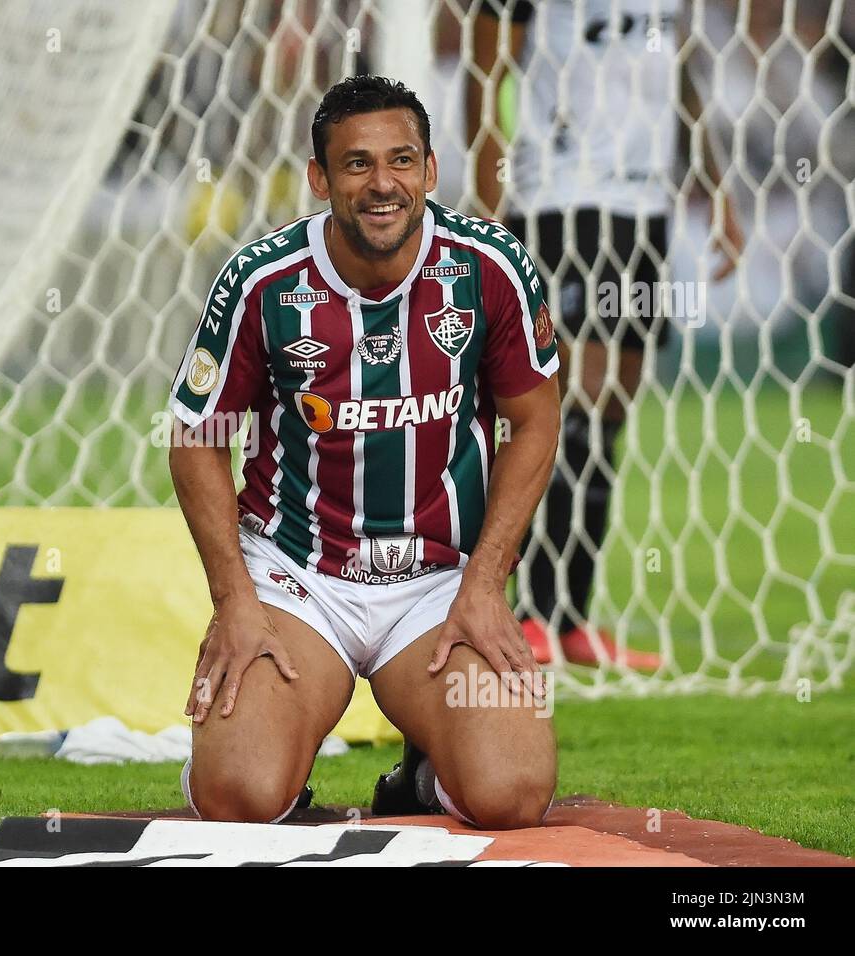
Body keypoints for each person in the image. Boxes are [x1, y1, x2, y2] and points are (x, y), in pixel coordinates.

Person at [167, 74, 559, 826]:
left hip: (439, 585)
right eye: (357, 164)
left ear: (431, 169)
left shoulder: (488, 267)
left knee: (510, 795)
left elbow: (535, 422)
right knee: (240, 794)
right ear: (320, 177)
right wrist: (235, 601)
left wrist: (486, 581)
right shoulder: (263, 281)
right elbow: (195, 437)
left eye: (402, 160)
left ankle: (418, 779)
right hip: (298, 579)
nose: (384, 184)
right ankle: (279, 752)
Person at [467, 0, 743, 667]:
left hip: (643, 202)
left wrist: (715, 182)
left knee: (614, 398)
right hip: (557, 195)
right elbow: (485, 73)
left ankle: (569, 619)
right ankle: (527, 610)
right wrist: (487, 206)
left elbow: (677, 70)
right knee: (561, 396)